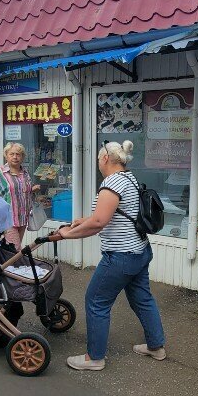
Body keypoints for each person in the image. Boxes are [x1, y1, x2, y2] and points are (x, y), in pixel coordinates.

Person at [48, 140, 165, 371]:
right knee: (143, 299)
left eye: (97, 160)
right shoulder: (129, 178)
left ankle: (95, 358)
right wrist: (82, 221)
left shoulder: (111, 183)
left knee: (96, 302)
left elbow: (99, 223)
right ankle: (156, 346)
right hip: (139, 250)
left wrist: (64, 235)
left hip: (121, 256)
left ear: (104, 159)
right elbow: (115, 214)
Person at [0, 142, 39, 247]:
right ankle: (14, 263)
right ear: (6, 155)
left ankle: (9, 263)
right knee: (15, 249)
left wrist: (32, 190)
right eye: (12, 154)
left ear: (22, 157)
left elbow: (23, 190)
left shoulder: (25, 173)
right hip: (8, 219)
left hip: (23, 218)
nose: (15, 157)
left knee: (14, 247)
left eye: (18, 154)